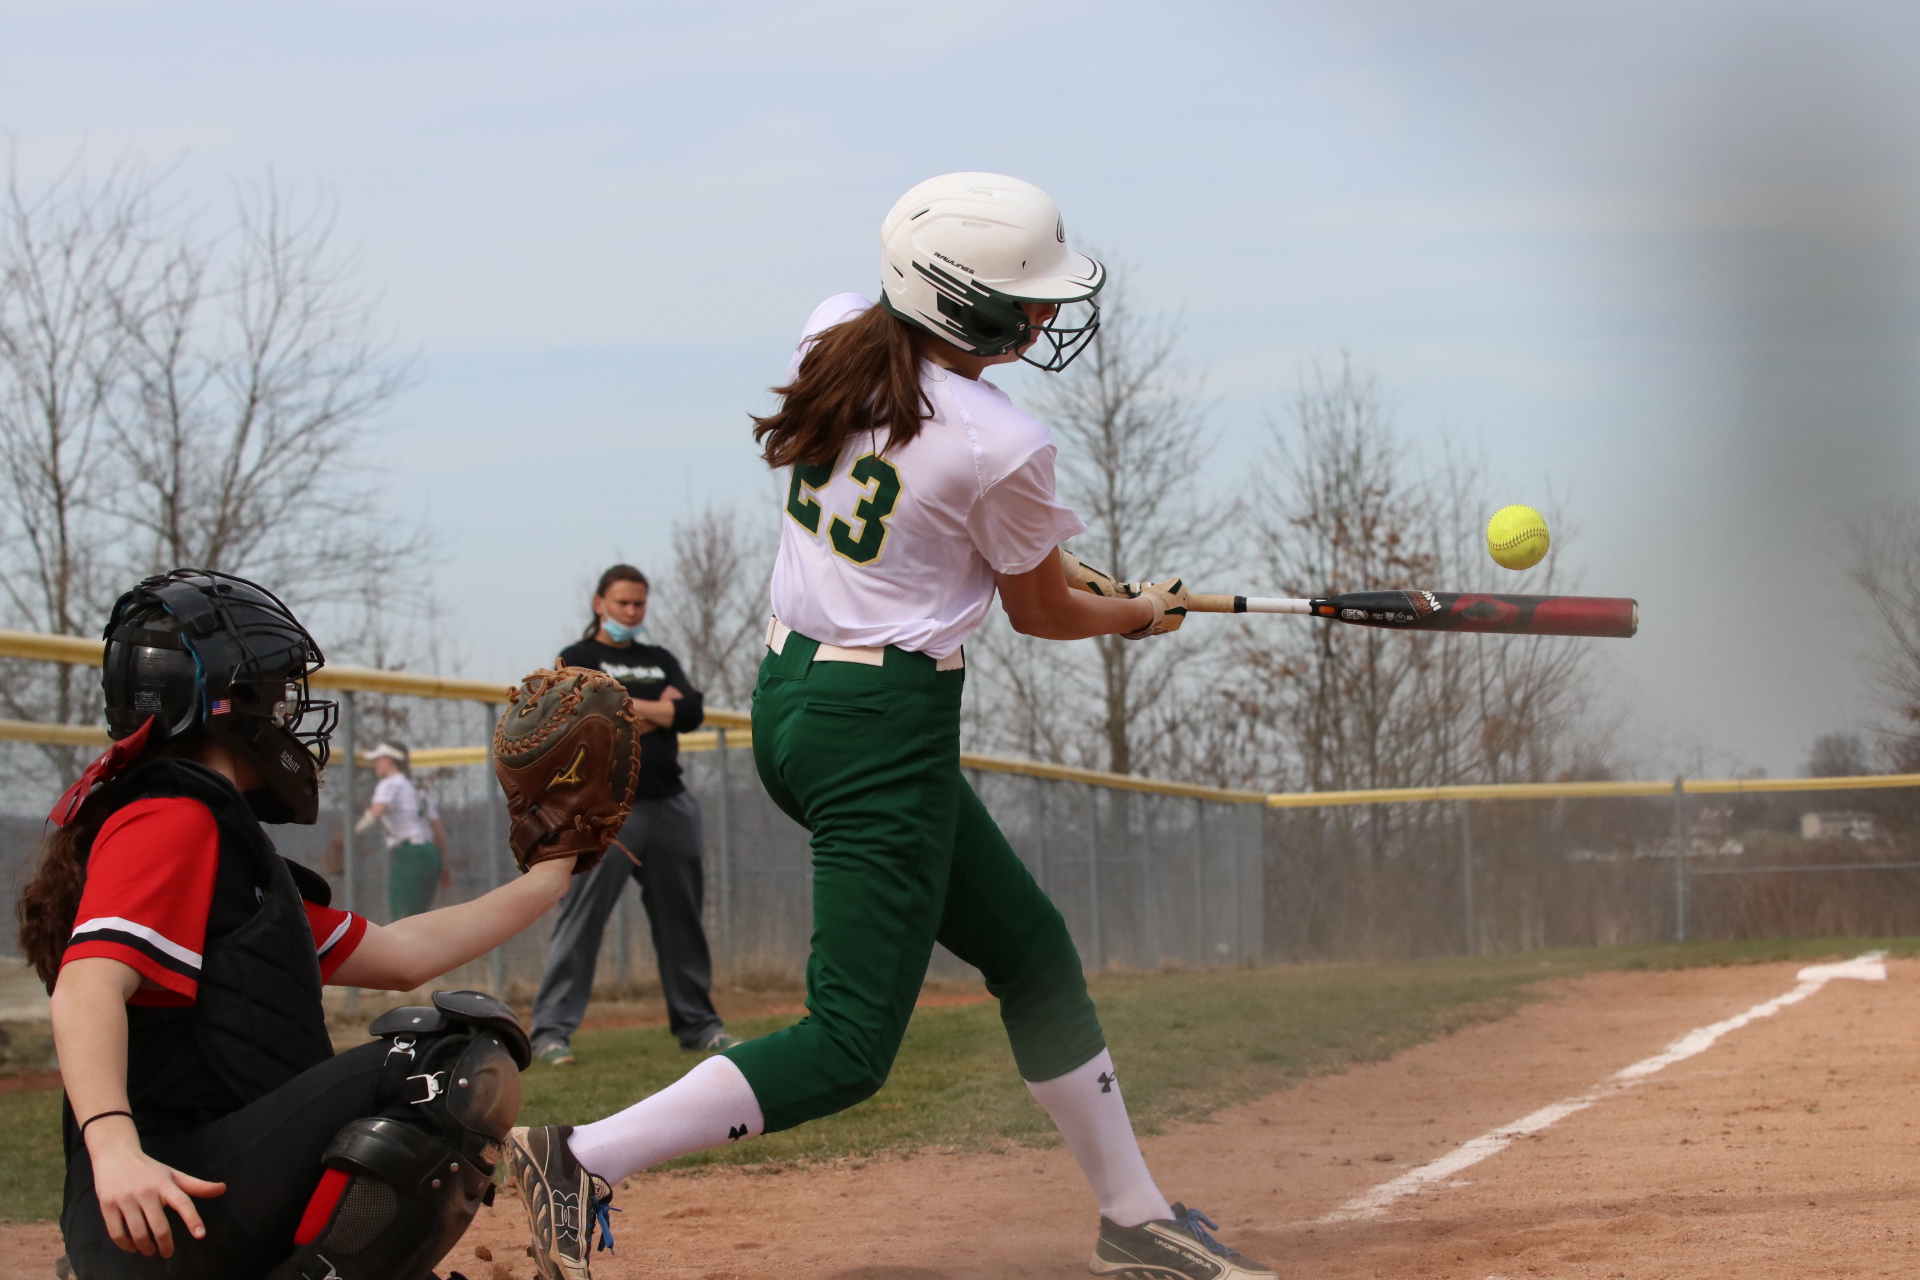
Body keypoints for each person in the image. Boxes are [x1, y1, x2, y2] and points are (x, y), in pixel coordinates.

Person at [505, 173, 1274, 1280]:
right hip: (882, 725)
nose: (1044, 317)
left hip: (792, 696)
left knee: (1034, 953)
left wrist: (1048, 569)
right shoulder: (1004, 440)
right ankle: (580, 1154)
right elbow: (1044, 609)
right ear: (961, 304)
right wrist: (1139, 612)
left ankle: (1134, 1216)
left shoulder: (835, 331)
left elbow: (947, 528)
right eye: (1026, 299)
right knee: (851, 1044)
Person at [19, 569, 580, 1280]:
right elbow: (86, 985)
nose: (290, 717)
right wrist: (114, 1149)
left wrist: (552, 874)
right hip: (160, 1202)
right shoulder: (170, 818)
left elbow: (401, 952)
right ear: (226, 705)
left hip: (188, 1201)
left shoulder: (221, 844)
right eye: (278, 695)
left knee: (445, 1055)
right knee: (439, 1067)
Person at [526, 564, 731, 1064]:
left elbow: (691, 713)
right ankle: (551, 1032)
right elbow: (591, 715)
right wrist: (653, 710)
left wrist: (629, 709)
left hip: (671, 805)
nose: (632, 612)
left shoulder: (660, 658)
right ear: (600, 604)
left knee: (682, 919)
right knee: (582, 919)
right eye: (623, 603)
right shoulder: (577, 658)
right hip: (605, 809)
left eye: (639, 603)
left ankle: (698, 1025)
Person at [357, 742, 451, 920]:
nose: (376, 763)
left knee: (401, 920)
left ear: (390, 760)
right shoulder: (417, 787)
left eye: (379, 759)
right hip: (431, 855)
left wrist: (350, 835)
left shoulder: (390, 783)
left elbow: (376, 812)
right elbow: (438, 830)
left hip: (410, 854)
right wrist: (443, 864)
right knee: (419, 920)